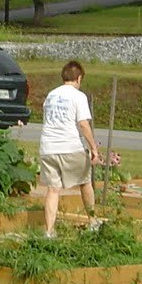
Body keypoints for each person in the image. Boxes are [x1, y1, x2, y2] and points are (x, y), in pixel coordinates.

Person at [38, 60, 101, 237]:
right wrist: (94, 149)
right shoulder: (78, 96)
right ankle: (93, 221)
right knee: (85, 181)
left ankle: (49, 231)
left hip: (48, 148)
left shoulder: (51, 95)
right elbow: (83, 124)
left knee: (53, 189)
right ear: (79, 78)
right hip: (69, 146)